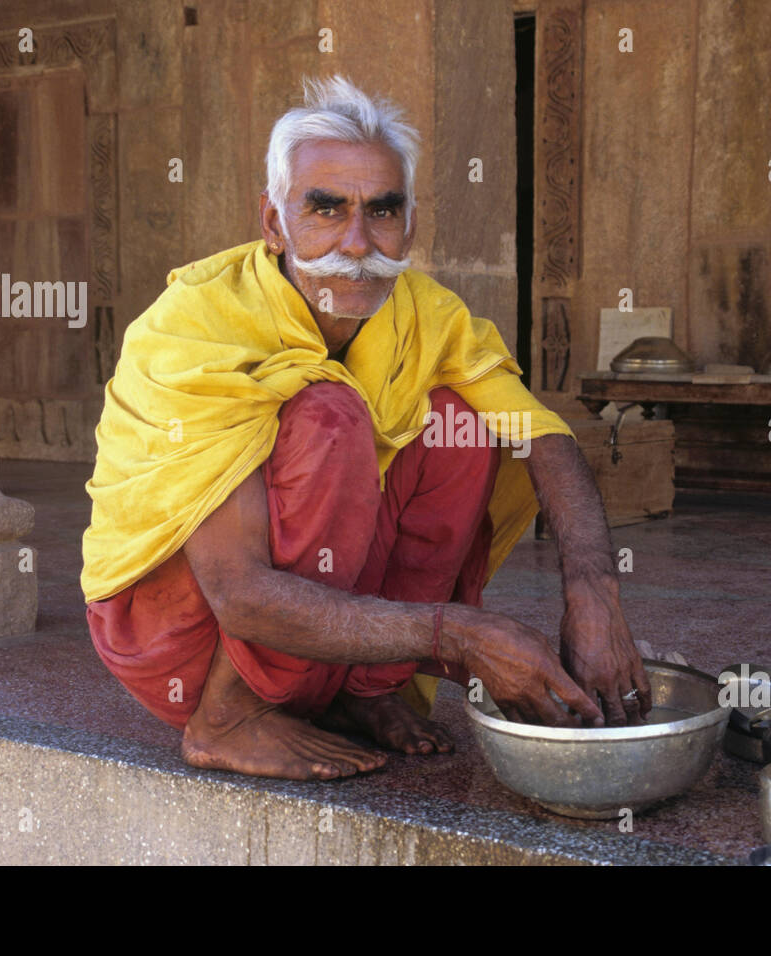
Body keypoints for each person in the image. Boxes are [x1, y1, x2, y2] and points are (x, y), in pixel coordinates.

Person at [81, 75, 650, 781]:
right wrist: (461, 635)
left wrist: (594, 594)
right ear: (272, 222)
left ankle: (366, 689)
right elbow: (237, 590)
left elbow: (541, 435)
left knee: (461, 421)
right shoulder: (196, 326)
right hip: (182, 630)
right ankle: (230, 717)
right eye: (324, 209)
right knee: (329, 414)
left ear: (409, 224)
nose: (356, 242)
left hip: (316, 628)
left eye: (382, 212)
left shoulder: (422, 312)